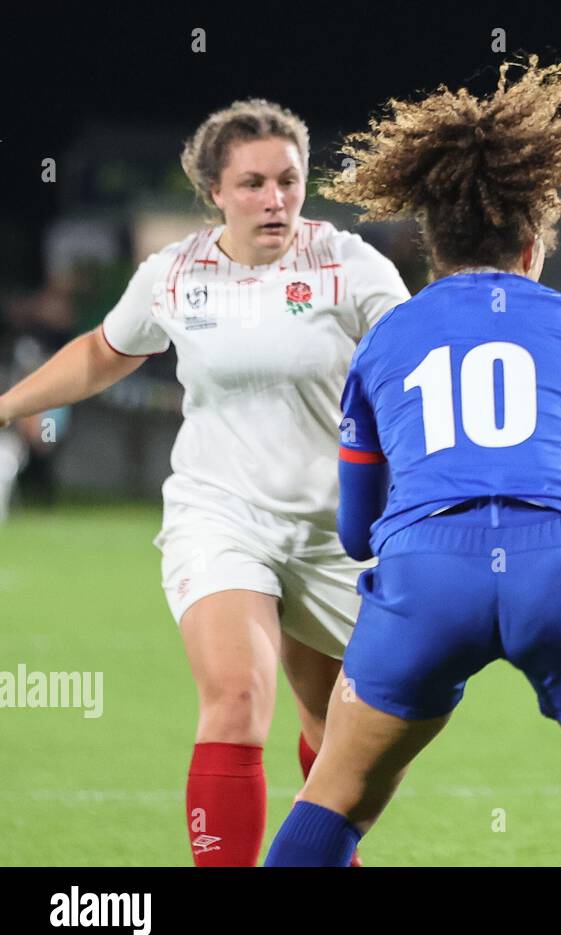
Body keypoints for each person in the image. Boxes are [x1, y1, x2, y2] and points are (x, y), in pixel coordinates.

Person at [264, 55, 561, 868]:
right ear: (534, 243)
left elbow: (355, 532)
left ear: (430, 245)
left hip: (427, 573)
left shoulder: (384, 341)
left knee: (336, 799)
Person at [0, 99, 411, 865]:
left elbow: (416, 363)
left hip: (338, 530)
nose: (275, 198)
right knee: (236, 700)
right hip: (221, 516)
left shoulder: (349, 265)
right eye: (252, 182)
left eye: (288, 179)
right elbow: (103, 351)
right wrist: (6, 407)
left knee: (336, 734)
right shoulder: (176, 273)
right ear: (214, 191)